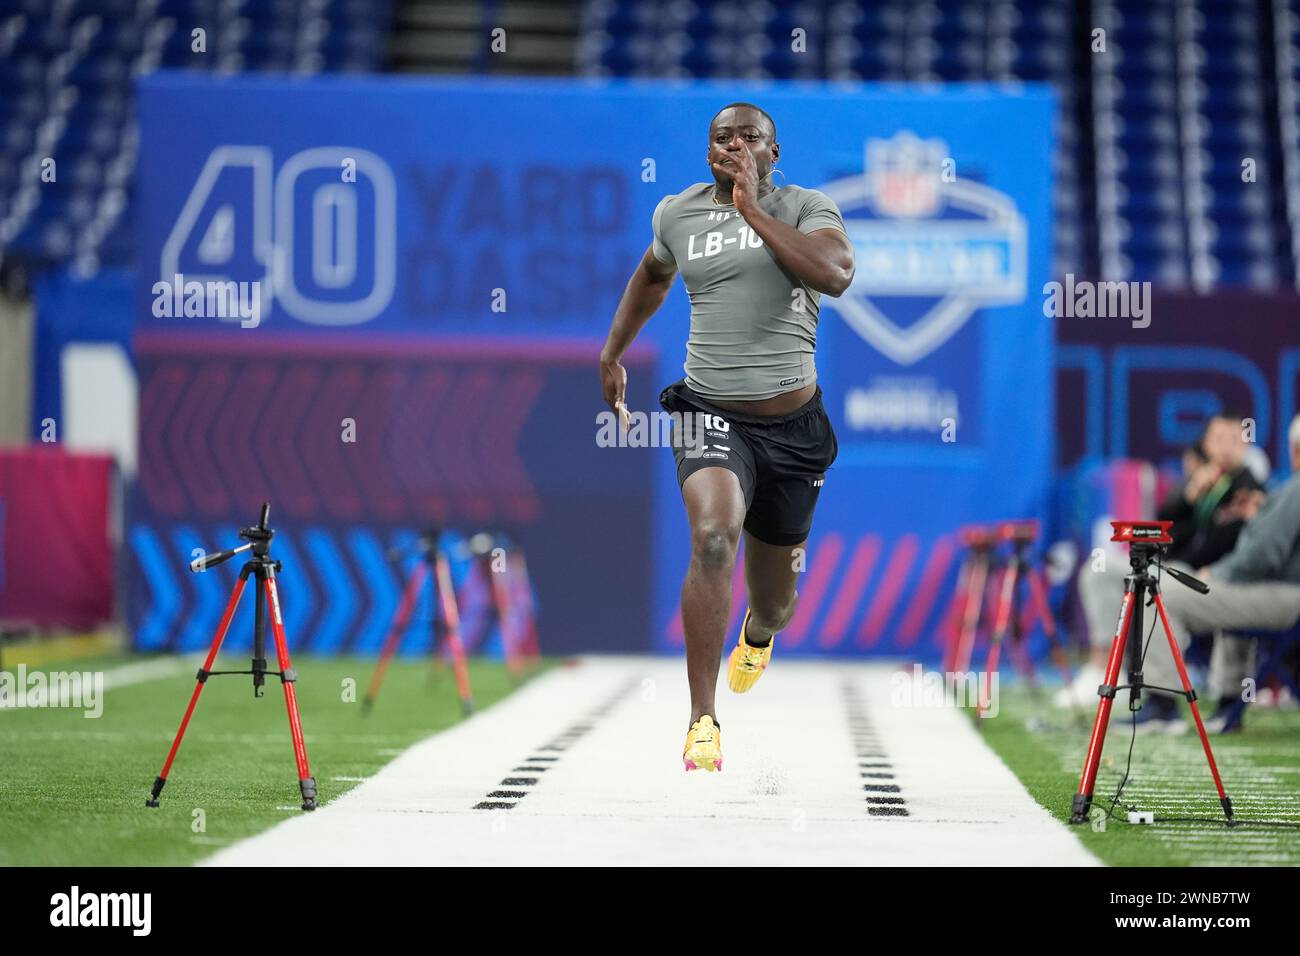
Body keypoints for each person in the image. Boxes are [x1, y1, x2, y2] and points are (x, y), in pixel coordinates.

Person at [598, 102, 854, 771]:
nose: (733, 144)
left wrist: (751, 209)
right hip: (709, 409)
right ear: (706, 149)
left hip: (793, 428)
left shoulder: (805, 206)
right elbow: (652, 277)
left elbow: (836, 275)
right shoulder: (676, 214)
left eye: (749, 137)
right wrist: (613, 352)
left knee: (776, 603)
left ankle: (758, 634)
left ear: (775, 151)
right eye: (721, 137)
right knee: (714, 537)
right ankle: (702, 719)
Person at [1064, 414, 1263, 708]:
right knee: (1099, 570)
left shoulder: (1249, 487)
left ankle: (1161, 700)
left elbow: (1223, 544)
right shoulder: (1199, 484)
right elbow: (1160, 527)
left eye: (1234, 440)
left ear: (1246, 446)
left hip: (1204, 576)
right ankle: (1104, 666)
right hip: (1174, 566)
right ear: (1206, 444)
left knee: (1154, 586)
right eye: (1218, 439)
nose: (1225, 448)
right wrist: (1188, 496)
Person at [1133, 414, 1300, 733]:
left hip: (1287, 596)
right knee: (1224, 591)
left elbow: (1263, 556)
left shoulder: (1294, 488)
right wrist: (1258, 518)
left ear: (1294, 450)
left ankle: (1162, 703)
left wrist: (1219, 572)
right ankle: (1228, 703)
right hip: (1284, 592)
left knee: (1157, 590)